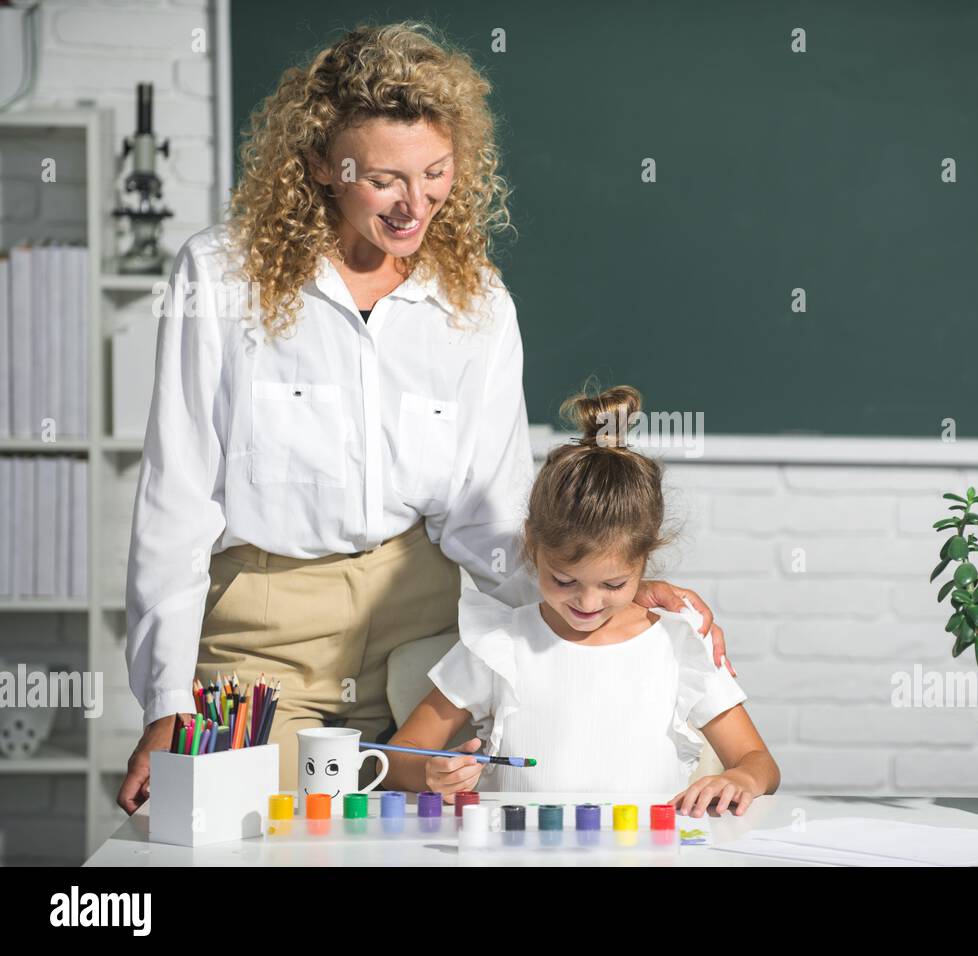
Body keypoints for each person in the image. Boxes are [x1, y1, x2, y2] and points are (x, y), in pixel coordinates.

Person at [116, 22, 728, 812]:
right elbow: (178, 496)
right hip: (263, 634)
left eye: (436, 173)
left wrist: (606, 591)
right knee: (249, 831)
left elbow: (493, 508)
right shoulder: (220, 274)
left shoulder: (475, 300)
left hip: (423, 630)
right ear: (319, 167)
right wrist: (165, 700)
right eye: (384, 180)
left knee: (419, 837)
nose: (416, 205)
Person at [384, 386, 779, 817]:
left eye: (612, 585)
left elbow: (759, 764)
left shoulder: (678, 644)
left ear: (644, 560)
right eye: (564, 580)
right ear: (532, 546)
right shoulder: (498, 643)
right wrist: (430, 772)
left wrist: (739, 778)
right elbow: (399, 757)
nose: (588, 602)